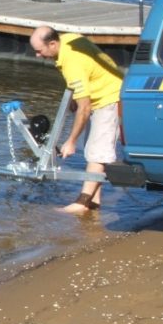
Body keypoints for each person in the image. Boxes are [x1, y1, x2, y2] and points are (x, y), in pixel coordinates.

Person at [29, 25, 124, 213]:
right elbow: (87, 72)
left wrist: (71, 141)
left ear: (53, 43)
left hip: (110, 98)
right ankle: (93, 203)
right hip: (102, 91)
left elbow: (84, 109)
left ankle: (81, 203)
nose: (37, 56)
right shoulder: (69, 39)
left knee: (98, 153)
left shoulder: (72, 63)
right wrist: (74, 96)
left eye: (39, 51)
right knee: (92, 151)